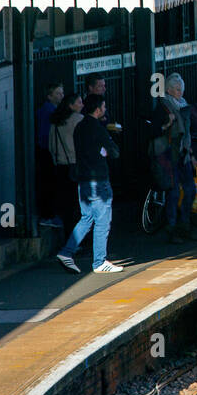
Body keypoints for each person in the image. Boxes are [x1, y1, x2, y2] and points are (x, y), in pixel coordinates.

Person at [56, 94, 123, 274]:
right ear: (98, 109)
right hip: (99, 181)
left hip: (83, 179)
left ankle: (67, 251)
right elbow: (114, 152)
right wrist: (107, 149)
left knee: (86, 218)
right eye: (104, 106)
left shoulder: (79, 127)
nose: (105, 109)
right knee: (103, 221)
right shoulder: (99, 129)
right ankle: (99, 262)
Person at [154, 73, 196, 243]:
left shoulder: (183, 104)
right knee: (172, 193)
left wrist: (190, 152)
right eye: (177, 89)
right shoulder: (164, 106)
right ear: (169, 90)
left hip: (183, 154)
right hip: (170, 155)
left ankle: (184, 225)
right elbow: (156, 130)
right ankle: (171, 228)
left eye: (182, 89)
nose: (181, 92)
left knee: (190, 190)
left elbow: (186, 132)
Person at [48, 92, 84, 229]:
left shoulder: (55, 123)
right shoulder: (78, 119)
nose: (82, 105)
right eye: (79, 102)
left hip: (60, 165)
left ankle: (69, 235)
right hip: (75, 164)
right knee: (79, 202)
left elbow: (51, 146)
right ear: (71, 105)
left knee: (66, 203)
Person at [35, 82, 64, 227]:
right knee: (49, 183)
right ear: (49, 96)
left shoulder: (49, 110)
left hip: (46, 150)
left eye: (62, 93)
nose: (61, 96)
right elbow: (46, 135)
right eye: (58, 93)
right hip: (47, 152)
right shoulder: (49, 112)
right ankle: (48, 215)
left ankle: (49, 214)